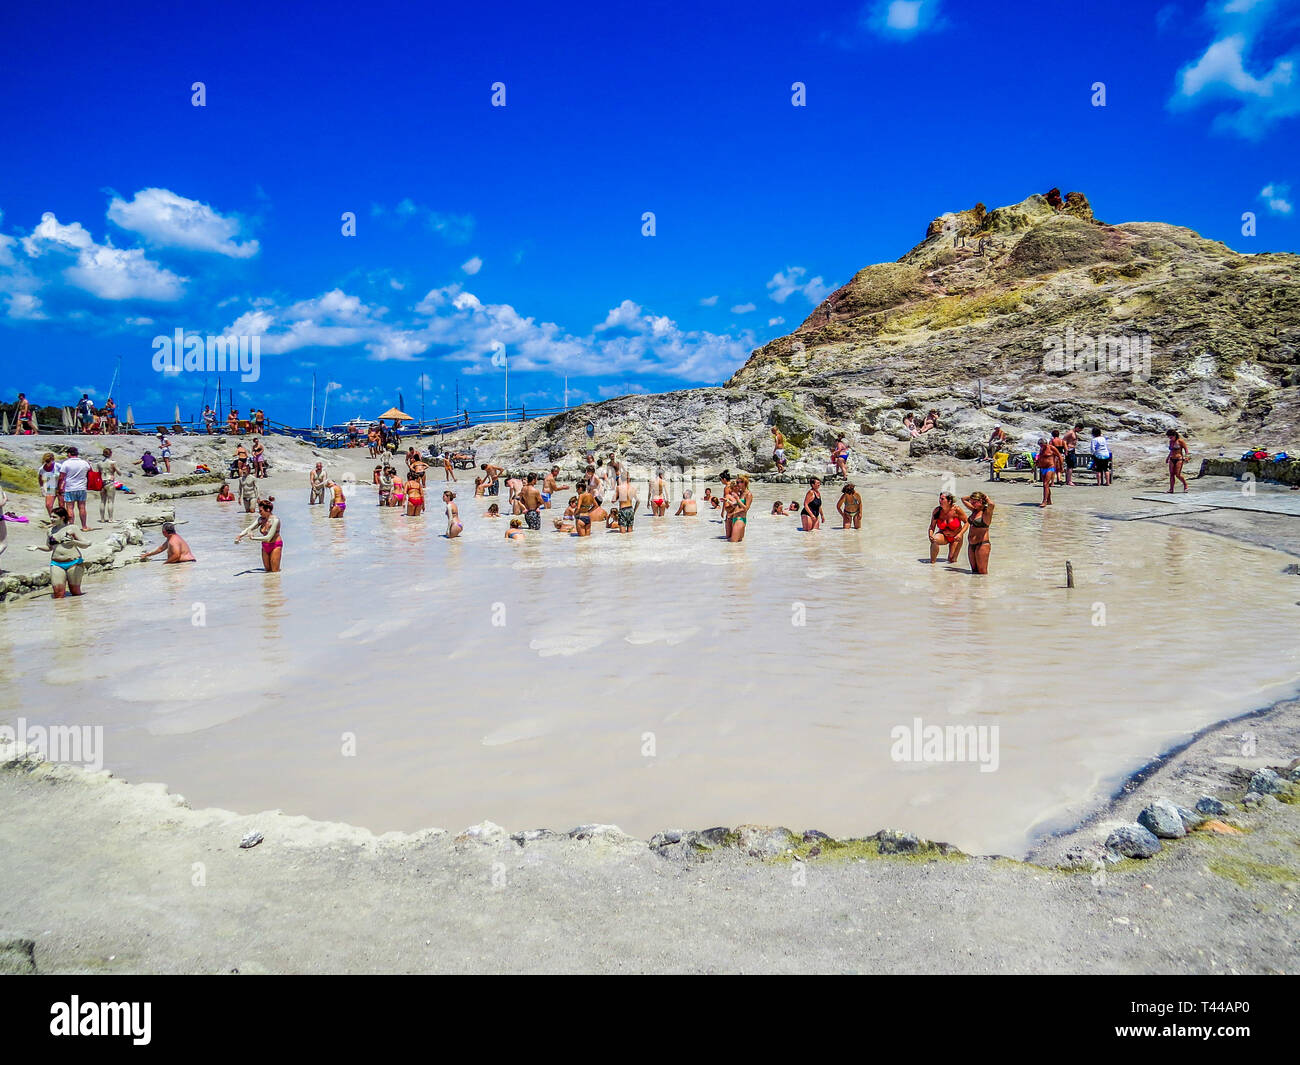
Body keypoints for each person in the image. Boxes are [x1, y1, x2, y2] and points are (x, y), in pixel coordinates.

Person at [37, 506, 90, 598]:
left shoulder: (72, 528)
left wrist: (74, 542)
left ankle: (76, 611)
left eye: (54, 517)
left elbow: (87, 543)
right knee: (58, 594)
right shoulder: (50, 531)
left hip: (74, 563)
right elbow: (49, 547)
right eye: (51, 516)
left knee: (75, 592)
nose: (51, 519)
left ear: (62, 518)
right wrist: (37, 547)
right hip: (56, 563)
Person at [236, 497, 282, 572]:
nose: (259, 513)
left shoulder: (275, 520)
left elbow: (268, 537)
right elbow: (249, 528)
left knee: (274, 572)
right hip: (265, 546)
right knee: (267, 571)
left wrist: (253, 538)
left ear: (268, 510)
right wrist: (240, 535)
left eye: (261, 511)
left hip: (275, 545)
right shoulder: (260, 519)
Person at [57, 446, 94, 531]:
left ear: (69, 454)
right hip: (81, 487)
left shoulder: (66, 463)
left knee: (70, 508)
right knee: (82, 507)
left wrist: (59, 488)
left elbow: (61, 477)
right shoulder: (84, 463)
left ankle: (71, 527)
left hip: (70, 487)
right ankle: (84, 526)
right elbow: (90, 471)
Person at [928, 492, 966, 564]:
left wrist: (960, 534)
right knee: (934, 540)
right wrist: (930, 535)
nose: (940, 501)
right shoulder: (937, 511)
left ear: (949, 501)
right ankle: (932, 565)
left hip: (956, 537)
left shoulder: (956, 510)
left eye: (942, 499)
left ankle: (952, 574)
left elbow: (967, 522)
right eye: (939, 498)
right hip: (943, 536)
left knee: (951, 560)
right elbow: (932, 526)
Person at [961, 492, 994, 575]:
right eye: (971, 502)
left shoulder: (986, 512)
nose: (972, 504)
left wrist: (985, 496)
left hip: (982, 544)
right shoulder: (974, 510)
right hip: (971, 545)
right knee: (974, 572)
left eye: (974, 502)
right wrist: (973, 497)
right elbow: (963, 499)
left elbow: (992, 504)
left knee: (982, 573)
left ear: (981, 501)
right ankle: (975, 588)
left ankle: (984, 588)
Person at [1035, 436, 1061, 507]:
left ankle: (1044, 501)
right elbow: (1039, 458)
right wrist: (1036, 464)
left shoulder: (1051, 448)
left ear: (1046, 444)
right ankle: (1049, 500)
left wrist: (1061, 467)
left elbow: (1059, 456)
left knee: (1045, 484)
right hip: (1043, 468)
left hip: (1050, 467)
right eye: (1040, 446)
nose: (1042, 447)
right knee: (1045, 485)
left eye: (1043, 445)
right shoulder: (1041, 449)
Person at [95, 448, 119, 523]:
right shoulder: (113, 462)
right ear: (110, 454)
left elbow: (98, 473)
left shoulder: (99, 463)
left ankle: (102, 518)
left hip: (102, 481)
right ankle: (110, 518)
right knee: (110, 501)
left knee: (102, 501)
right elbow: (119, 473)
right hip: (110, 481)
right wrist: (115, 469)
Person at [726, 474, 752, 542]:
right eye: (736, 482)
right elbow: (737, 506)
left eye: (738, 482)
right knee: (737, 544)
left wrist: (737, 499)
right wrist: (727, 501)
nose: (737, 484)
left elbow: (746, 508)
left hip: (740, 519)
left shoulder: (748, 494)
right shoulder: (741, 493)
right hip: (735, 519)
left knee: (733, 543)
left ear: (744, 483)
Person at [38, 452, 62, 517]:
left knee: (61, 505)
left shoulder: (58, 466)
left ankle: (63, 520)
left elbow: (64, 475)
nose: (48, 462)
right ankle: (53, 519)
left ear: (52, 459)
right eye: (46, 461)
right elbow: (40, 479)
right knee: (48, 505)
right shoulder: (42, 469)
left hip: (60, 485)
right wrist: (42, 488)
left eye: (49, 461)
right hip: (50, 484)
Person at [1166, 429, 1190, 493]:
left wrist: (1187, 457)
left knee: (1178, 474)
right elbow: (1171, 451)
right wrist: (1167, 458)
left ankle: (1185, 485)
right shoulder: (1170, 442)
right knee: (1171, 474)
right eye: (1169, 437)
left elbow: (1186, 450)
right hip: (1171, 458)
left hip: (1179, 458)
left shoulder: (1180, 441)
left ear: (1174, 435)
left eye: (1171, 437)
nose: (1170, 438)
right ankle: (1171, 489)